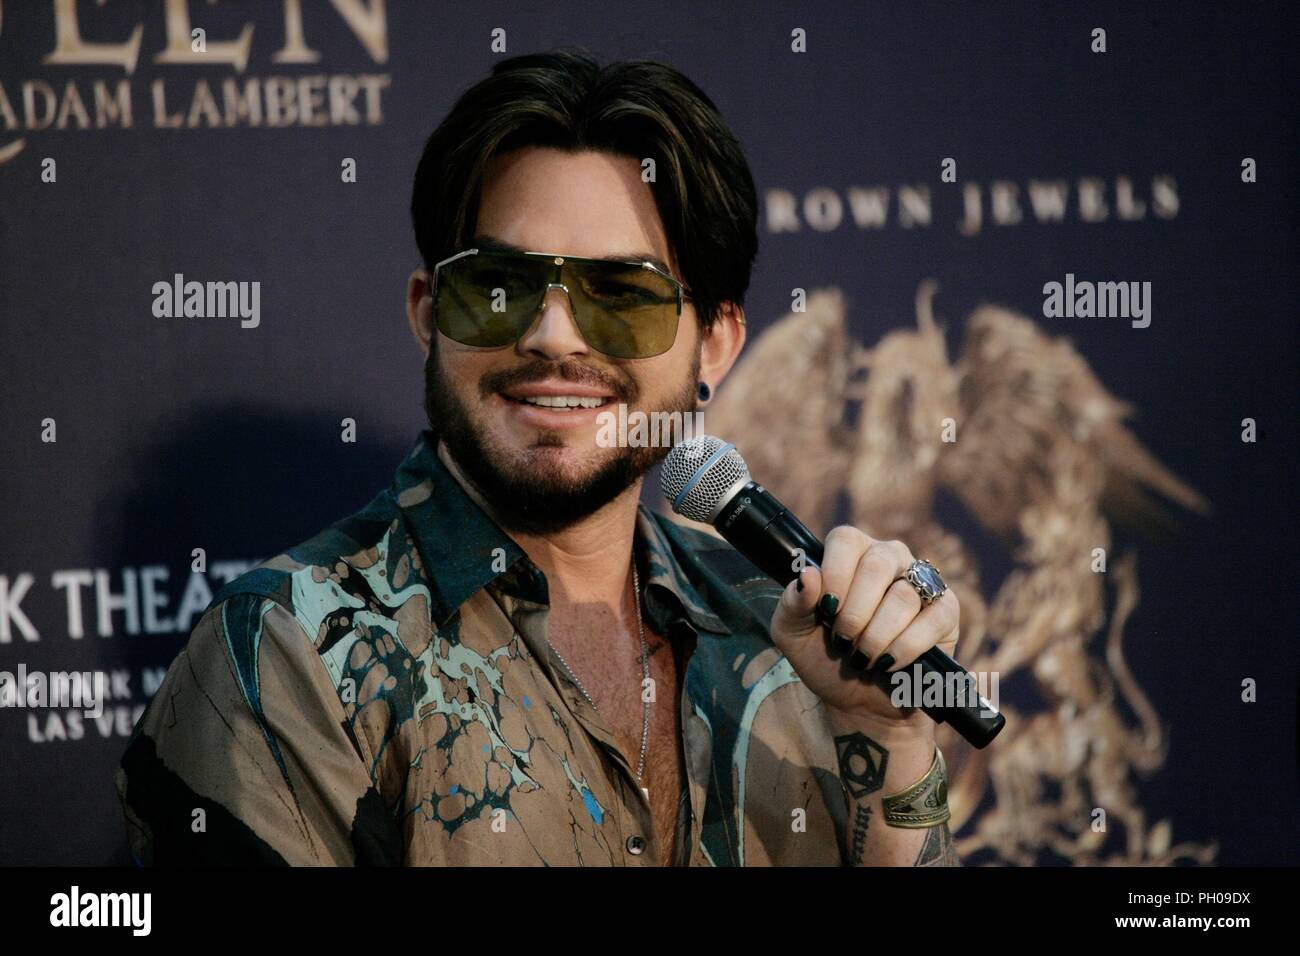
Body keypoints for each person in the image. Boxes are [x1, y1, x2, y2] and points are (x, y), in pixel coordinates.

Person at [115, 49, 961, 867]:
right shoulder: (289, 654)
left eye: (622, 297)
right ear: (427, 313)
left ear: (715, 343)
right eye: (498, 287)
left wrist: (889, 736)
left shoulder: (793, 629)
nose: (552, 336)